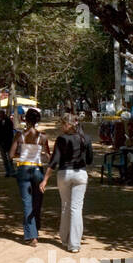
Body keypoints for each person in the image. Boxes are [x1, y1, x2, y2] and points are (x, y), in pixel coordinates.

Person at [41, 113, 93, 253]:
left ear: (69, 125)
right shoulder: (86, 139)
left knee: (65, 206)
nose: (61, 127)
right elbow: (89, 160)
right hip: (80, 174)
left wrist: (45, 179)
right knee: (76, 209)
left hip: (64, 173)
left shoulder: (61, 139)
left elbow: (54, 160)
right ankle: (74, 244)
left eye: (63, 124)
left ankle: (64, 238)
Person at [10, 108, 50, 246]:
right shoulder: (42, 137)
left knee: (27, 202)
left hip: (23, 168)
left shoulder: (19, 136)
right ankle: (36, 228)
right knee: (37, 201)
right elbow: (47, 154)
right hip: (38, 169)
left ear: (25, 119)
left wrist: (20, 155)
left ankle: (31, 235)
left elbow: (10, 154)